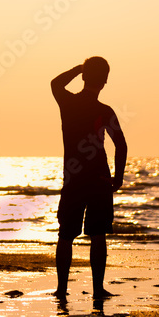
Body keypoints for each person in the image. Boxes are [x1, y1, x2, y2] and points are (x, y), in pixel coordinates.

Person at [51, 57, 128, 299]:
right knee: (97, 234)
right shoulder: (104, 111)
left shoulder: (68, 102)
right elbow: (121, 145)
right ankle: (97, 289)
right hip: (99, 179)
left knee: (65, 234)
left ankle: (62, 289)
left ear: (84, 77)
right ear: (105, 81)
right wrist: (119, 177)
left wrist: (78, 69)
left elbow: (55, 83)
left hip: (73, 178)